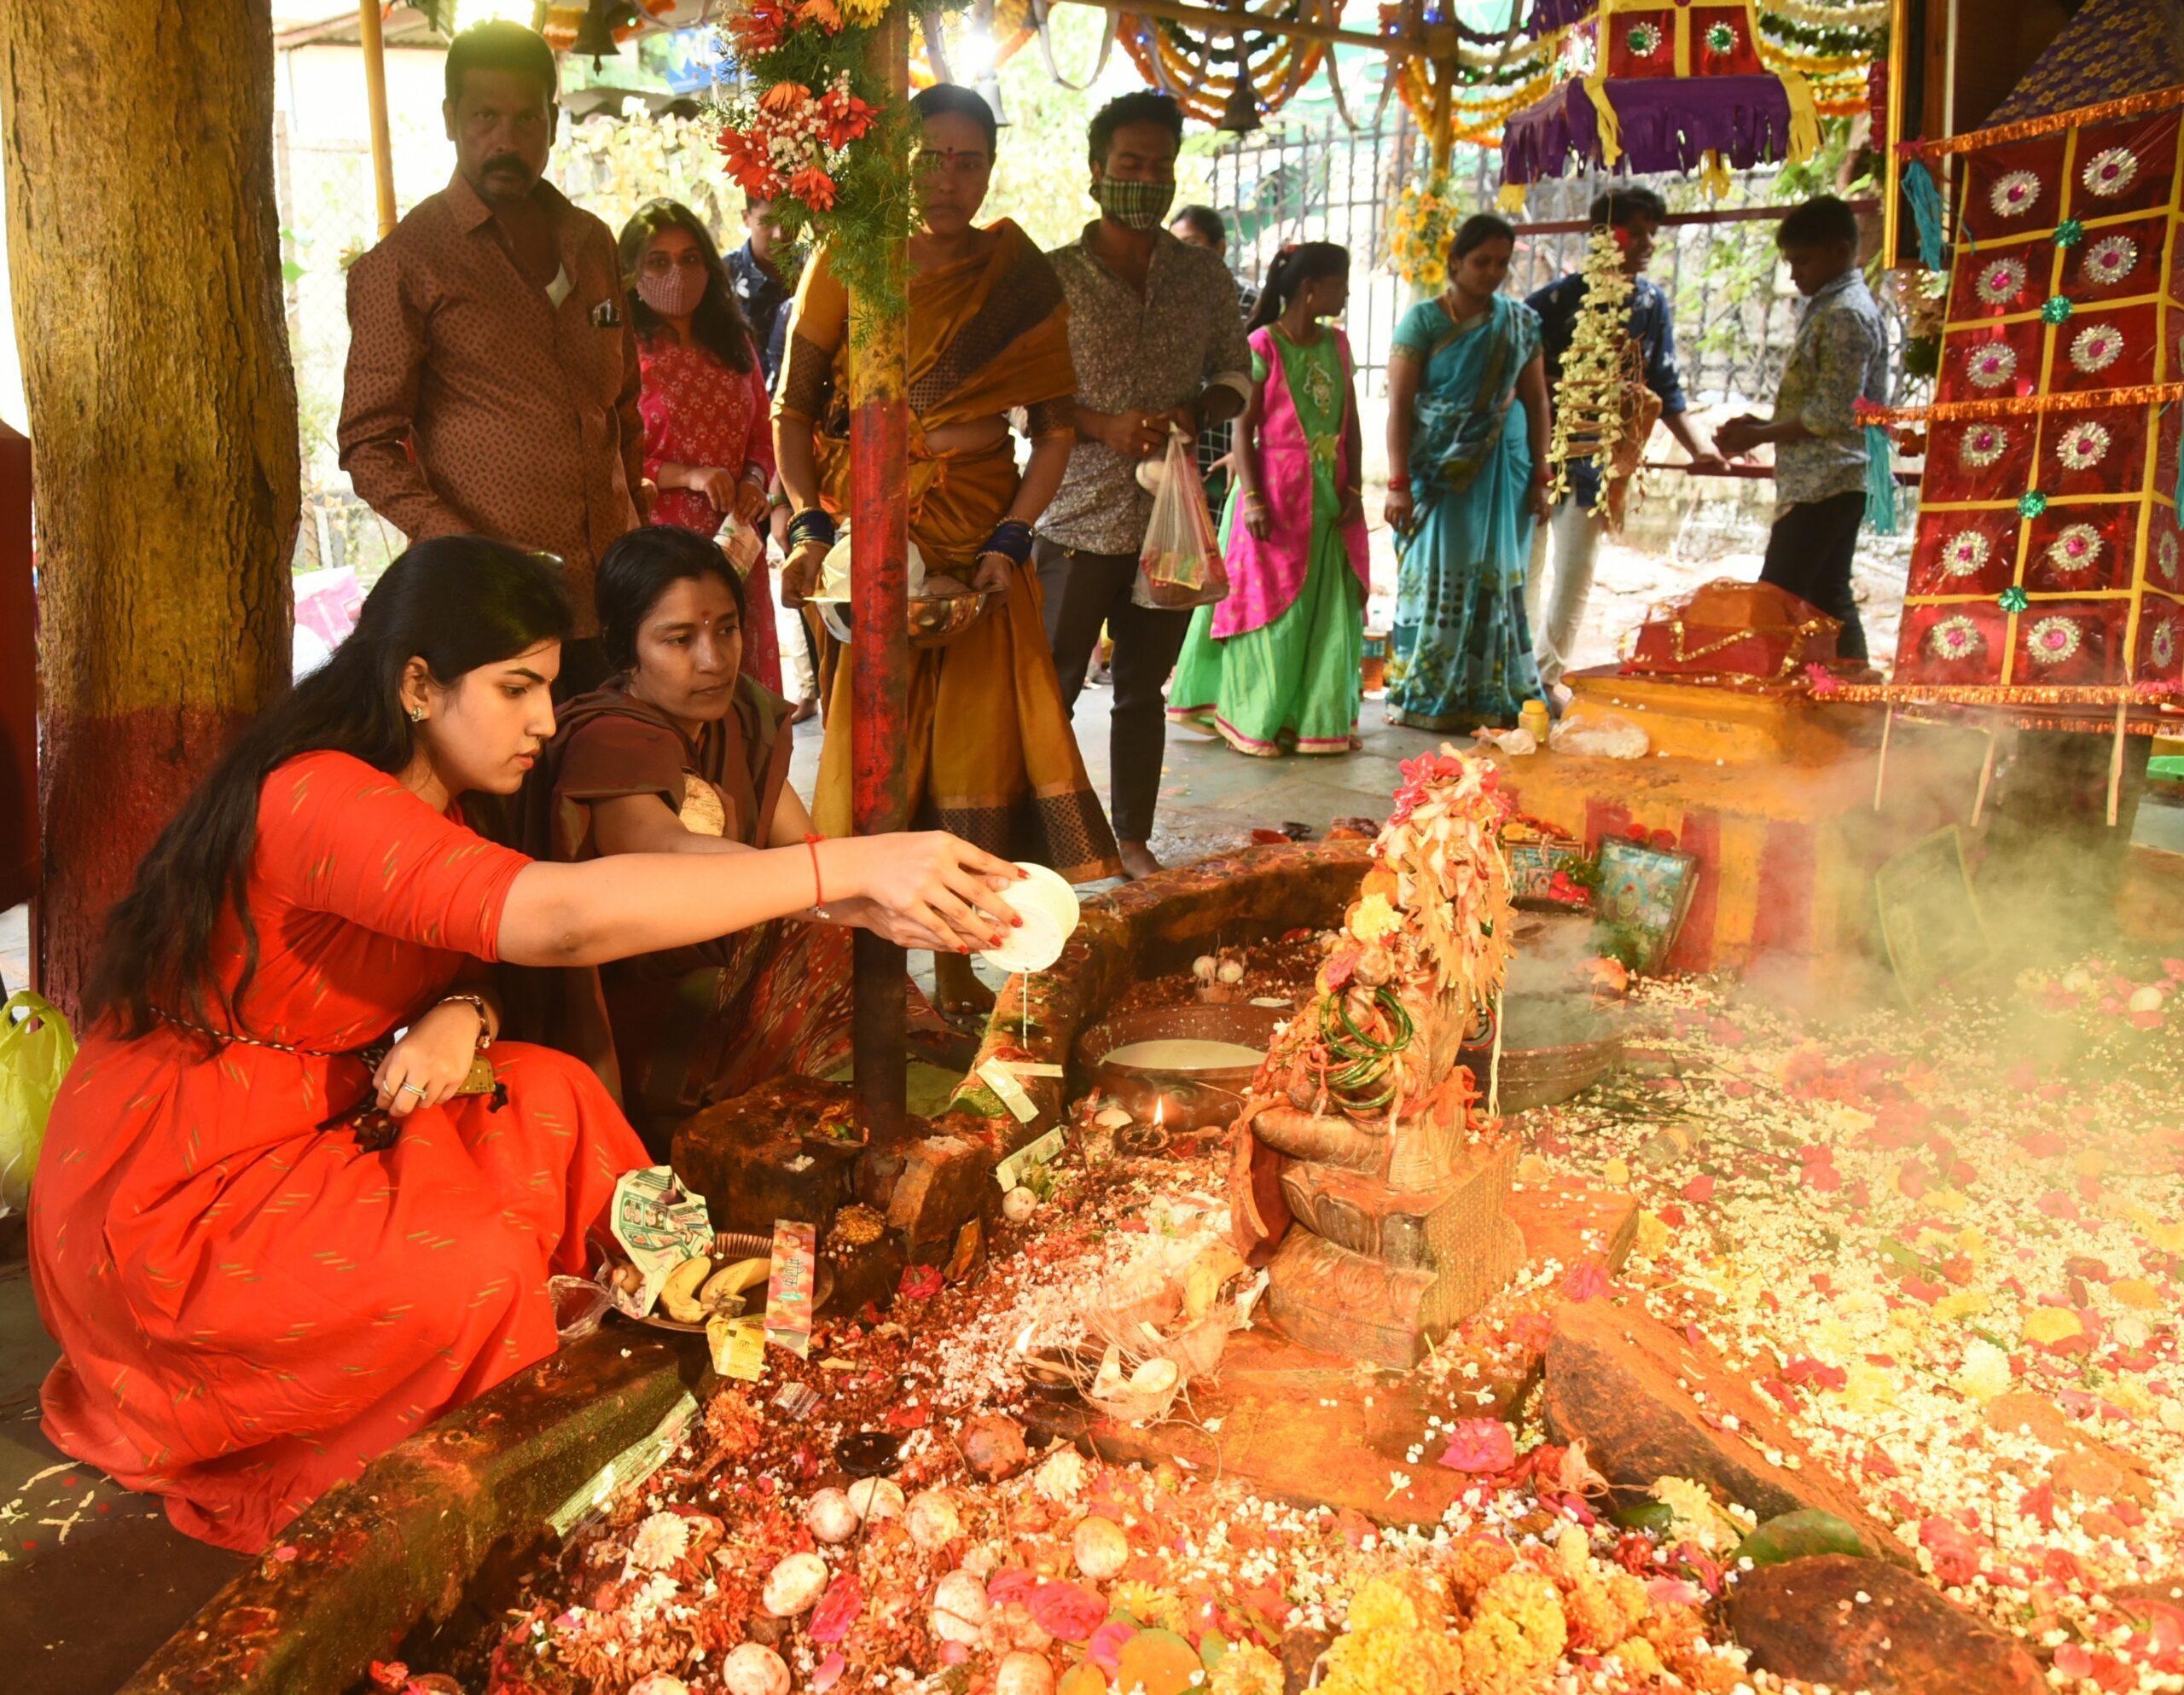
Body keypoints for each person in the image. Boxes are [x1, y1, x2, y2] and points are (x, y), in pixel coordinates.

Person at [26, 537, 1024, 1553]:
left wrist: (468, 1011)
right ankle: (514, 1463)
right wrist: (846, 867)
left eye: (550, 687)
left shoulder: (443, 798)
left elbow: (472, 949)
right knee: (471, 1273)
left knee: (556, 1099)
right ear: (418, 683)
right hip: (190, 1179)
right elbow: (556, 919)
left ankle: (668, 1344)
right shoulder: (318, 795)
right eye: (518, 689)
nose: (547, 722)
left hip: (338, 1111)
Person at [775, 84, 1119, 1016]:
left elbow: (1051, 429)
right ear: (899, 161)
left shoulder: (1020, 278)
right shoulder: (848, 260)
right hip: (869, 531)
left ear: (993, 166)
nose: (950, 179)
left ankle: (968, 966)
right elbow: (794, 409)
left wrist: (1013, 536)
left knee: (976, 745)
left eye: (970, 160)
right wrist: (811, 522)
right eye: (932, 158)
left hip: (976, 535)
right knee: (876, 738)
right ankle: (870, 976)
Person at [338, 21, 641, 692]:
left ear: (553, 123)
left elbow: (624, 410)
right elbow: (367, 441)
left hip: (615, 597)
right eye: (485, 117)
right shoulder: (407, 264)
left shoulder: (591, 243)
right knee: (519, 789)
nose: (506, 140)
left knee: (616, 773)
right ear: (450, 120)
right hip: (494, 612)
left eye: (526, 117)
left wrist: (636, 538)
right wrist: (463, 547)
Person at [1038, 93, 1252, 880]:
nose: (1146, 179)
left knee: (1143, 690)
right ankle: (1055, 838)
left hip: (1174, 517)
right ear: (1097, 170)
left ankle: (1131, 837)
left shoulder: (1201, 275)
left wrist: (1199, 409)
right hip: (1076, 514)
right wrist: (1101, 425)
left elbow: (1238, 371)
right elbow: (1024, 396)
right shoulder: (1053, 276)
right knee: (1053, 688)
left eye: (1160, 166)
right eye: (1130, 164)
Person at [1167, 243, 1368, 757]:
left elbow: (1351, 424)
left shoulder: (1339, 346)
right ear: (1310, 288)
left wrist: (1353, 486)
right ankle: (1254, 718)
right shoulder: (1263, 344)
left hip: (1326, 493)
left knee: (1324, 609)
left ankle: (1310, 722)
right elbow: (1243, 431)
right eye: (1339, 281)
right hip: (1273, 493)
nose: (1345, 291)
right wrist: (1252, 498)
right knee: (1271, 607)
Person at [1525, 187, 1726, 685]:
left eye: (1651, 234)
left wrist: (1702, 448)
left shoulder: (1650, 304)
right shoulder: (1555, 299)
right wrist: (1569, 389)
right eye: (1635, 233)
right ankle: (1512, 675)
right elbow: (1513, 373)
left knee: (1575, 574)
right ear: (1601, 237)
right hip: (1535, 456)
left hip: (1599, 463)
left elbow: (1665, 385)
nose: (1647, 245)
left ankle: (1544, 680)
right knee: (1524, 570)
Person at [1383, 213, 1554, 730]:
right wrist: (1396, 483)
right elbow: (1400, 406)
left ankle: (1492, 690)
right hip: (1438, 471)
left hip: (1505, 465)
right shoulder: (1423, 322)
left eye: (1502, 263)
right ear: (1455, 262)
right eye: (1481, 262)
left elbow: (1537, 398)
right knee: (1435, 574)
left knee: (1498, 576)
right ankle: (1427, 689)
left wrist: (1543, 472)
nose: (1492, 273)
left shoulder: (1520, 322)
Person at [618, 200, 785, 698]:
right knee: (684, 671)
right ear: (631, 273)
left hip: (736, 542)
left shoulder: (731, 341)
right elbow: (609, 447)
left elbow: (763, 425)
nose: (677, 273)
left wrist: (756, 481)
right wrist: (686, 475)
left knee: (745, 675)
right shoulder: (624, 350)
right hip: (663, 546)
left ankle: (754, 777)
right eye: (658, 261)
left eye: (690, 259)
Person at [1715, 195, 1888, 663]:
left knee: (1779, 596)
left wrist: (1759, 435)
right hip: (1828, 478)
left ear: (1841, 250)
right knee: (1827, 593)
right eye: (1791, 263)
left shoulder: (1844, 313)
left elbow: (1832, 413)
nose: (1795, 275)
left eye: (1803, 262)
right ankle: (1851, 693)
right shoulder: (1832, 304)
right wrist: (1764, 426)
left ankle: (1775, 692)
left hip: (1829, 480)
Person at [1168, 204, 1258, 516]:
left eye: (1192, 244)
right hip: (1184, 441)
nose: (1181, 255)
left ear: (1219, 248)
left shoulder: (1252, 303)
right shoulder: (1169, 304)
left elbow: (1265, 382)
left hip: (1235, 440)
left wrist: (1243, 448)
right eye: (1174, 244)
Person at [724, 194, 799, 392]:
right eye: (768, 222)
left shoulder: (815, 269)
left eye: (790, 221)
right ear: (746, 218)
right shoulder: (722, 277)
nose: (779, 235)